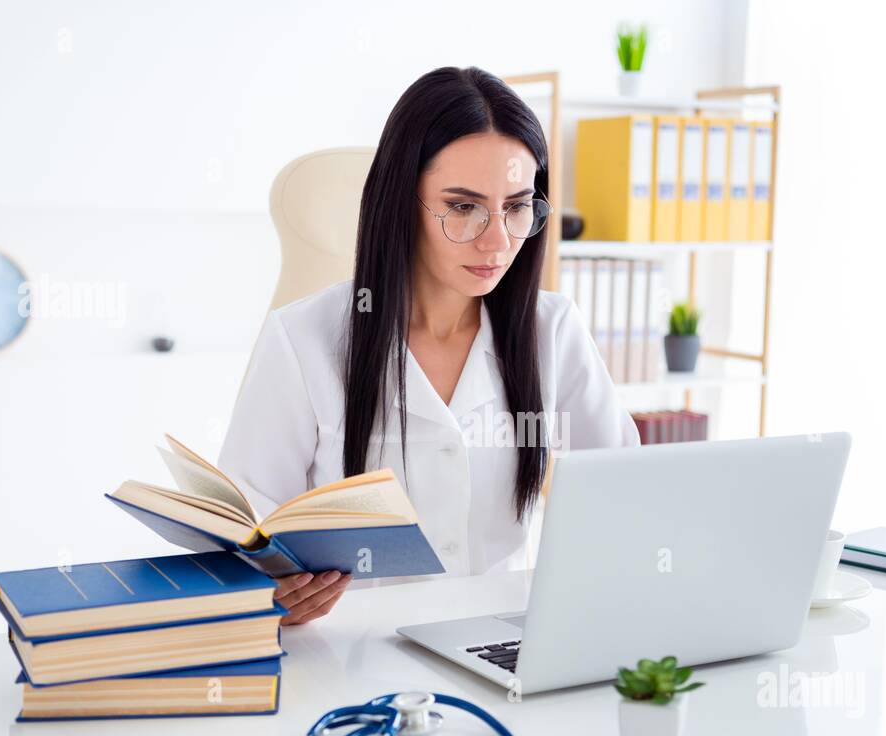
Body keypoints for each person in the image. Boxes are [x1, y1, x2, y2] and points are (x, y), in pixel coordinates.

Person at [219, 65, 639, 626]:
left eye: (516, 206)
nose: (497, 241)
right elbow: (239, 536)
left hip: (501, 644)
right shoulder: (303, 339)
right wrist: (272, 591)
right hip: (351, 651)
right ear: (401, 202)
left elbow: (631, 496)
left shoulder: (552, 329)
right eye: (462, 208)